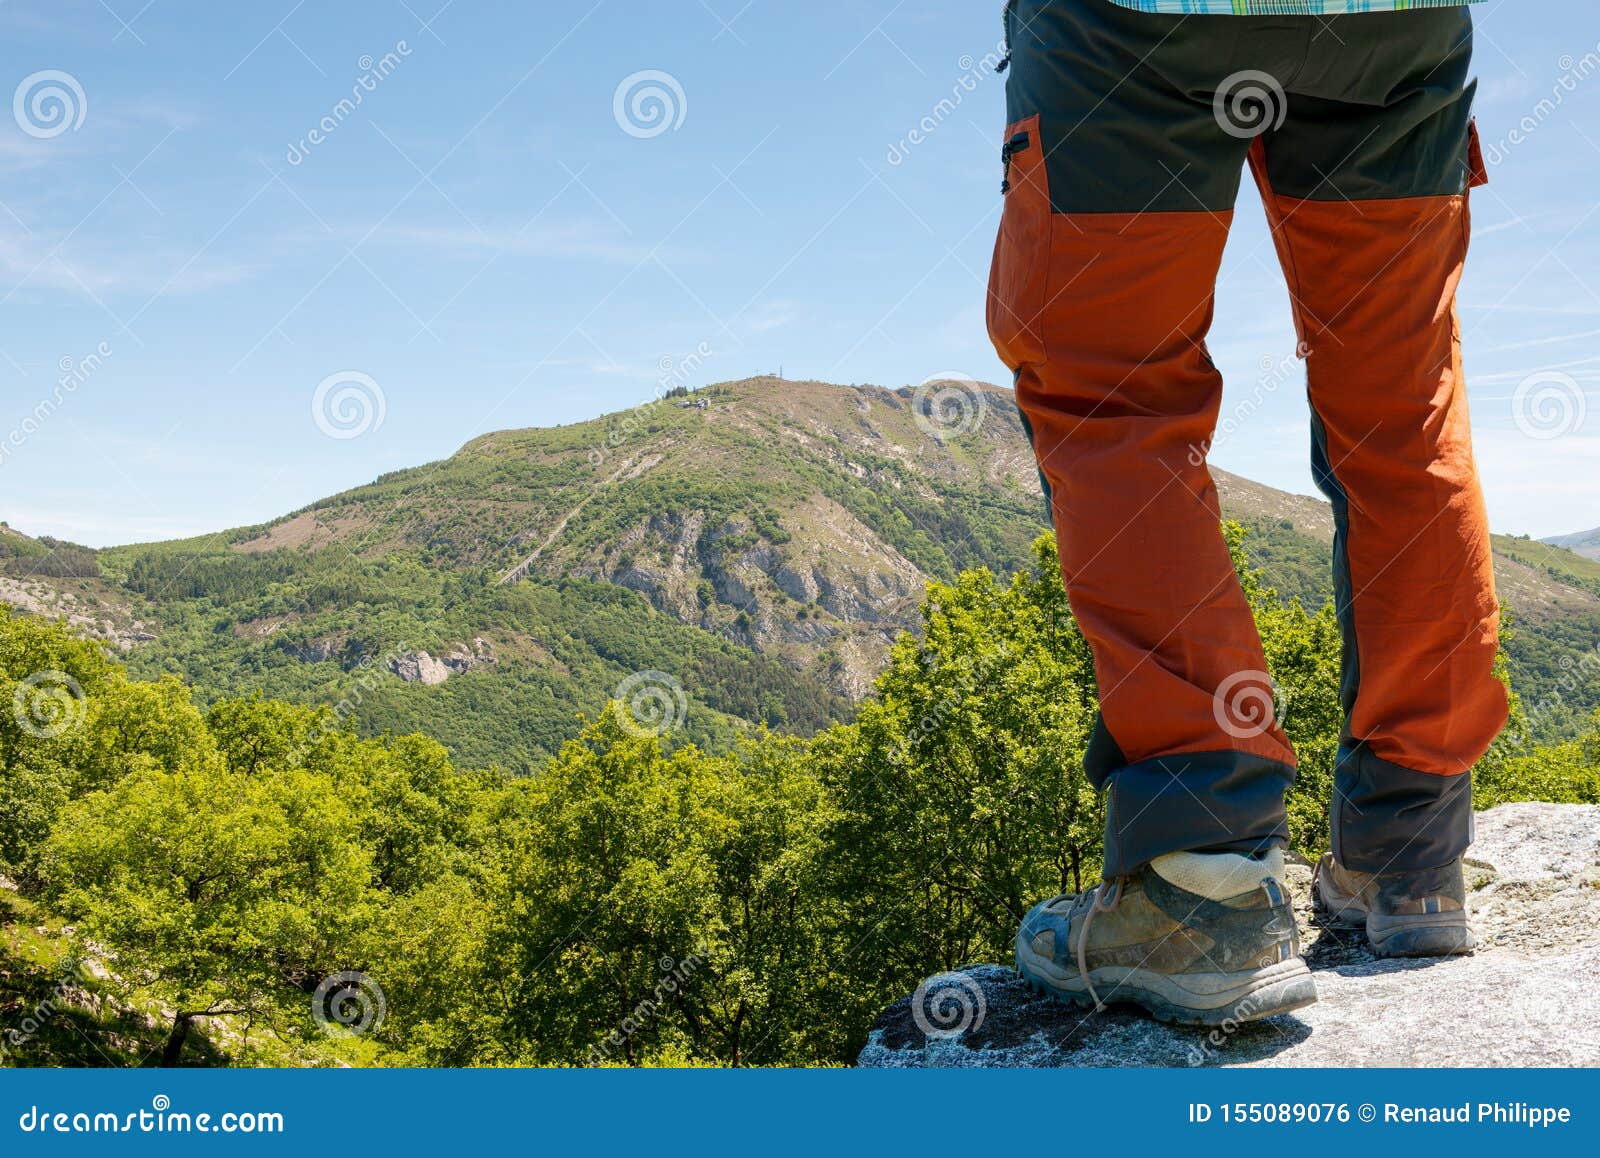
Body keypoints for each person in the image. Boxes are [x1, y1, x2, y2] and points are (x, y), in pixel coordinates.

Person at [990, 0, 1504, 1026]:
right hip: (1393, 25)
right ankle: (1408, 858)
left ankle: (1204, 883)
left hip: (1129, 25)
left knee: (1112, 404)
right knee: (1402, 413)